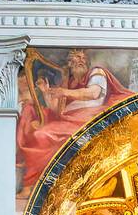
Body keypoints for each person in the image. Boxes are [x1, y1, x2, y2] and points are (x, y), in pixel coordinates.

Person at [17, 50, 130, 194]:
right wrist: (46, 92)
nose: (80, 60)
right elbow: (58, 111)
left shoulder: (96, 72)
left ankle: (43, 186)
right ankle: (37, 186)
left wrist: (64, 92)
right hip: (70, 121)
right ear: (69, 63)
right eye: (76, 58)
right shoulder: (68, 81)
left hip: (91, 119)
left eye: (82, 58)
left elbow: (93, 93)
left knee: (43, 135)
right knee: (40, 134)